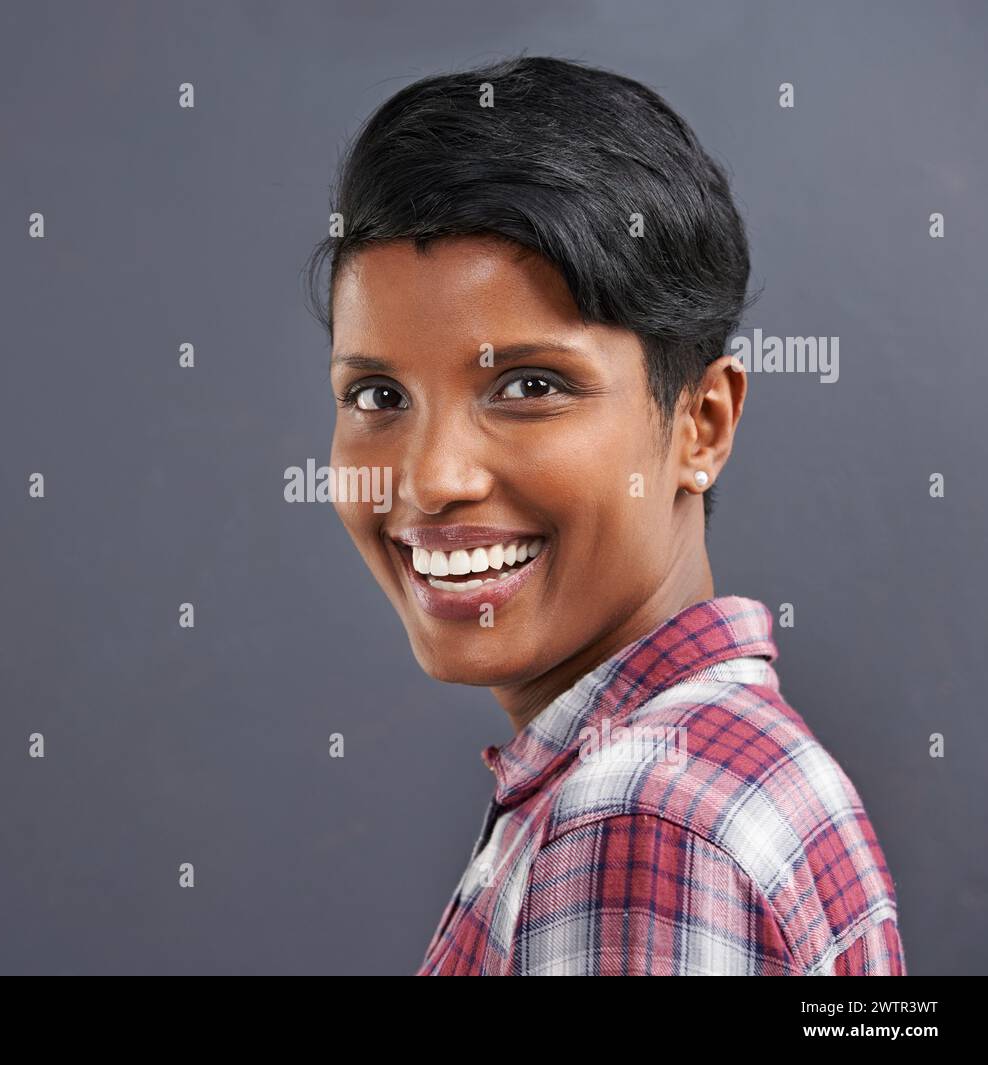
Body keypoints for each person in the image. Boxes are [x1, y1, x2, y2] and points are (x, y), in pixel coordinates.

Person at [306, 55, 905, 975]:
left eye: (529, 385)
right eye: (378, 393)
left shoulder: (643, 821)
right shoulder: (728, 764)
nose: (431, 480)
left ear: (701, 424)